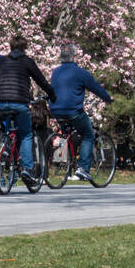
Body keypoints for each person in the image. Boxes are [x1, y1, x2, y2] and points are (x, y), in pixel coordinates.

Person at [0, 35, 56, 184]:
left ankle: (5, 148)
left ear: (10, 46)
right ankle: (27, 169)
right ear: (24, 48)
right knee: (26, 134)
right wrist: (52, 95)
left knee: (7, 130)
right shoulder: (27, 62)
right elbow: (41, 81)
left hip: (1, 103)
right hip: (19, 103)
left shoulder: (1, 61)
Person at [49, 43, 111, 184]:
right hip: (73, 111)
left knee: (68, 132)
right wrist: (107, 98)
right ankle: (83, 168)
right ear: (74, 56)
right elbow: (95, 88)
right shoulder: (80, 73)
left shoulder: (55, 72)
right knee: (88, 135)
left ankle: (68, 163)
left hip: (56, 111)